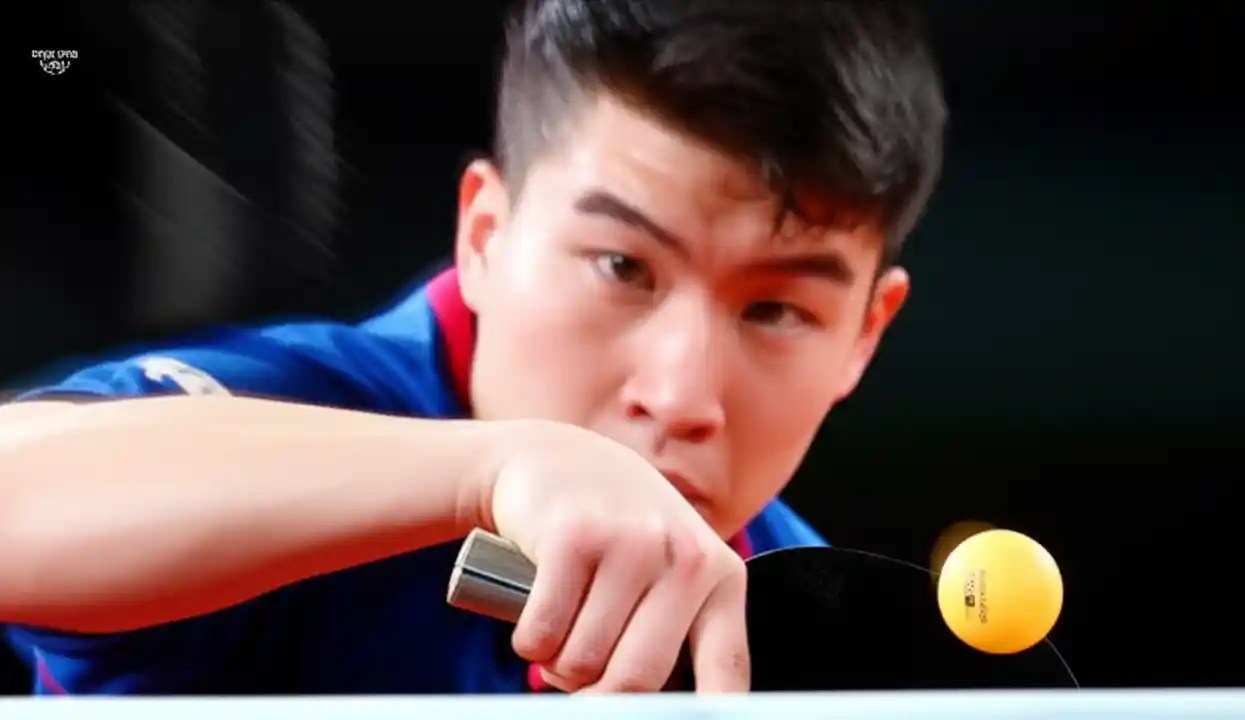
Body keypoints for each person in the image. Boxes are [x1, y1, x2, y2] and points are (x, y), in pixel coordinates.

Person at [0, 0, 946, 695]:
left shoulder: (812, 630)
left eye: (776, 311)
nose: (681, 393)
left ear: (865, 335)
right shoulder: (294, 402)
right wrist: (492, 469)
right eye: (621, 265)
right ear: (485, 237)